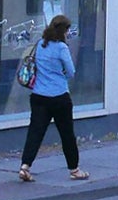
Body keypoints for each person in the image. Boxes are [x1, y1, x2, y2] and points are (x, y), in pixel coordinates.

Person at [17, 14, 89, 183]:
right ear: (64, 30)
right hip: (59, 96)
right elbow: (71, 71)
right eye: (68, 30)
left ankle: (25, 166)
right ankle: (74, 169)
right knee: (67, 134)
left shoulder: (40, 44)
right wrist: (60, 74)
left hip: (39, 96)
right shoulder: (61, 48)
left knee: (35, 132)